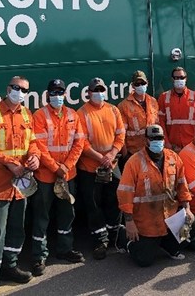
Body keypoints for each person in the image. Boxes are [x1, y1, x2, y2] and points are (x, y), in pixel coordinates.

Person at [0, 75, 41, 296]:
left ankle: (10, 267)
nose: (20, 92)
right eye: (16, 88)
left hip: (20, 185)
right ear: (7, 88)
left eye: (24, 90)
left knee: (16, 229)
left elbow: (33, 142)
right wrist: (11, 163)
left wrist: (35, 157)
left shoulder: (26, 113)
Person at [117, 125, 195, 266]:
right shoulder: (134, 162)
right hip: (146, 222)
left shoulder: (173, 158)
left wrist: (187, 208)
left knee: (194, 226)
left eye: (160, 138)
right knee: (144, 261)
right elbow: (125, 193)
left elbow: (182, 185)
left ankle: (170, 246)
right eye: (153, 138)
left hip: (170, 217)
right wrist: (129, 221)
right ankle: (124, 238)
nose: (157, 141)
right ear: (146, 140)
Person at [29, 79, 87, 277]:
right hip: (46, 175)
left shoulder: (73, 115)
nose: (57, 95)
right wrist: (56, 168)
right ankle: (39, 256)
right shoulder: (39, 115)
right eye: (54, 92)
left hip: (67, 174)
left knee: (67, 213)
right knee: (41, 216)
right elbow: (39, 147)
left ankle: (64, 249)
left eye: (60, 92)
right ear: (47, 95)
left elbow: (79, 144)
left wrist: (67, 166)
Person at [76, 77, 127, 260]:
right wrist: (100, 158)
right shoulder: (82, 113)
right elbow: (81, 142)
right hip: (90, 167)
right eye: (95, 89)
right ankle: (100, 241)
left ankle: (115, 237)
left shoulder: (113, 110)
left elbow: (121, 135)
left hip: (112, 164)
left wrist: (112, 154)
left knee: (115, 200)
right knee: (94, 204)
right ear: (88, 92)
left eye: (101, 89)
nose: (98, 92)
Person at [117, 70, 159, 168]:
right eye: (137, 83)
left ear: (147, 83)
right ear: (133, 85)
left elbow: (158, 125)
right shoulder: (124, 106)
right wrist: (125, 155)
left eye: (143, 83)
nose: (140, 86)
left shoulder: (153, 101)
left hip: (151, 151)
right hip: (133, 153)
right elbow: (121, 133)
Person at [158, 66, 195, 151]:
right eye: (176, 77)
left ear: (186, 79)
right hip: (172, 146)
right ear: (172, 79)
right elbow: (161, 122)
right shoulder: (164, 97)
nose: (179, 80)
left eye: (182, 77)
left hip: (191, 145)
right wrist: (166, 143)